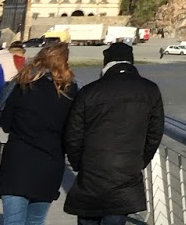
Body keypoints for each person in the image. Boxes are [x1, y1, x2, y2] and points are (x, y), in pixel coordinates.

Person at [63, 41, 164, 225]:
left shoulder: (89, 91)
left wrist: (79, 164)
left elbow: (73, 135)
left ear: (107, 64)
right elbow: (155, 134)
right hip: (126, 172)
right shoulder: (150, 90)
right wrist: (140, 161)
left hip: (91, 173)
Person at [0, 41, 78, 225]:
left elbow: (6, 124)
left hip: (17, 163)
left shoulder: (24, 85)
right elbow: (73, 131)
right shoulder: (69, 91)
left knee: (13, 222)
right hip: (49, 165)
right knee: (35, 221)